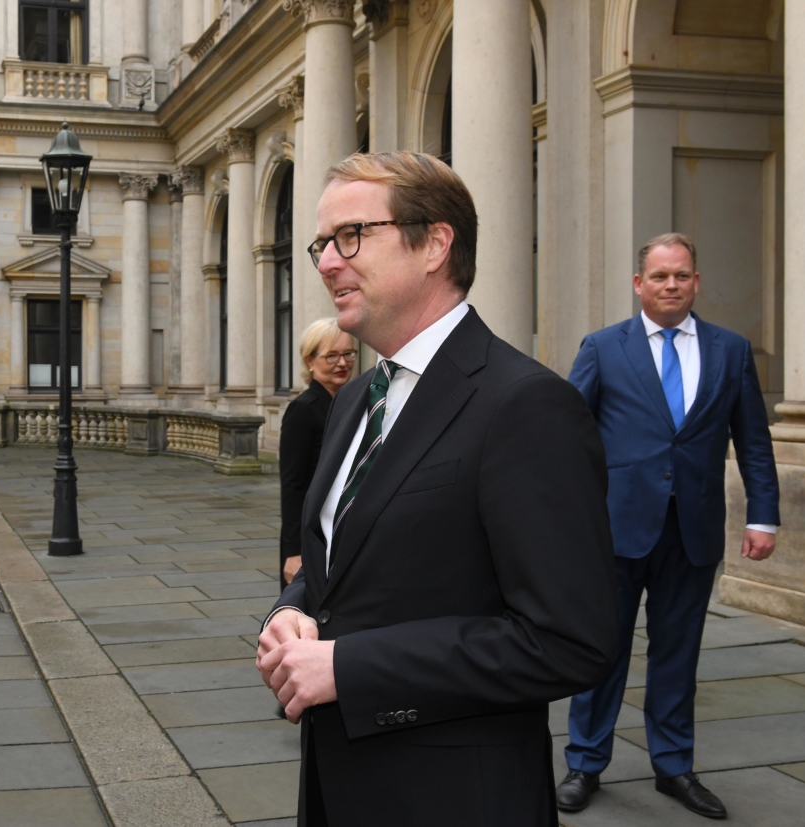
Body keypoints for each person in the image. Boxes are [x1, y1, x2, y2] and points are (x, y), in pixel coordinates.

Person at [255, 151, 617, 827]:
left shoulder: (525, 404)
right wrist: (291, 610)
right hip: (336, 787)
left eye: (350, 235)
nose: (327, 262)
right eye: (321, 243)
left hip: (455, 797)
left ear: (435, 244)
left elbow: (570, 641)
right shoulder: (355, 399)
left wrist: (350, 667)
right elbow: (339, 565)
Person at [556, 233, 780, 820]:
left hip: (694, 530)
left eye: (681, 275)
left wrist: (763, 516)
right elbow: (570, 438)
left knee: (678, 655)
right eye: (659, 276)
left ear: (696, 282)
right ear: (639, 284)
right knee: (602, 650)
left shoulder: (731, 351)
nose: (671, 285)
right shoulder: (604, 348)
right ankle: (585, 763)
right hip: (615, 529)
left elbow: (754, 441)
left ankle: (674, 766)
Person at [279, 318, 355, 588]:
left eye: (348, 354)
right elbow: (292, 485)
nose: (342, 363)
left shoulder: (355, 403)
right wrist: (293, 552)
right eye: (331, 356)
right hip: (312, 537)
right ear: (310, 361)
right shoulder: (303, 410)